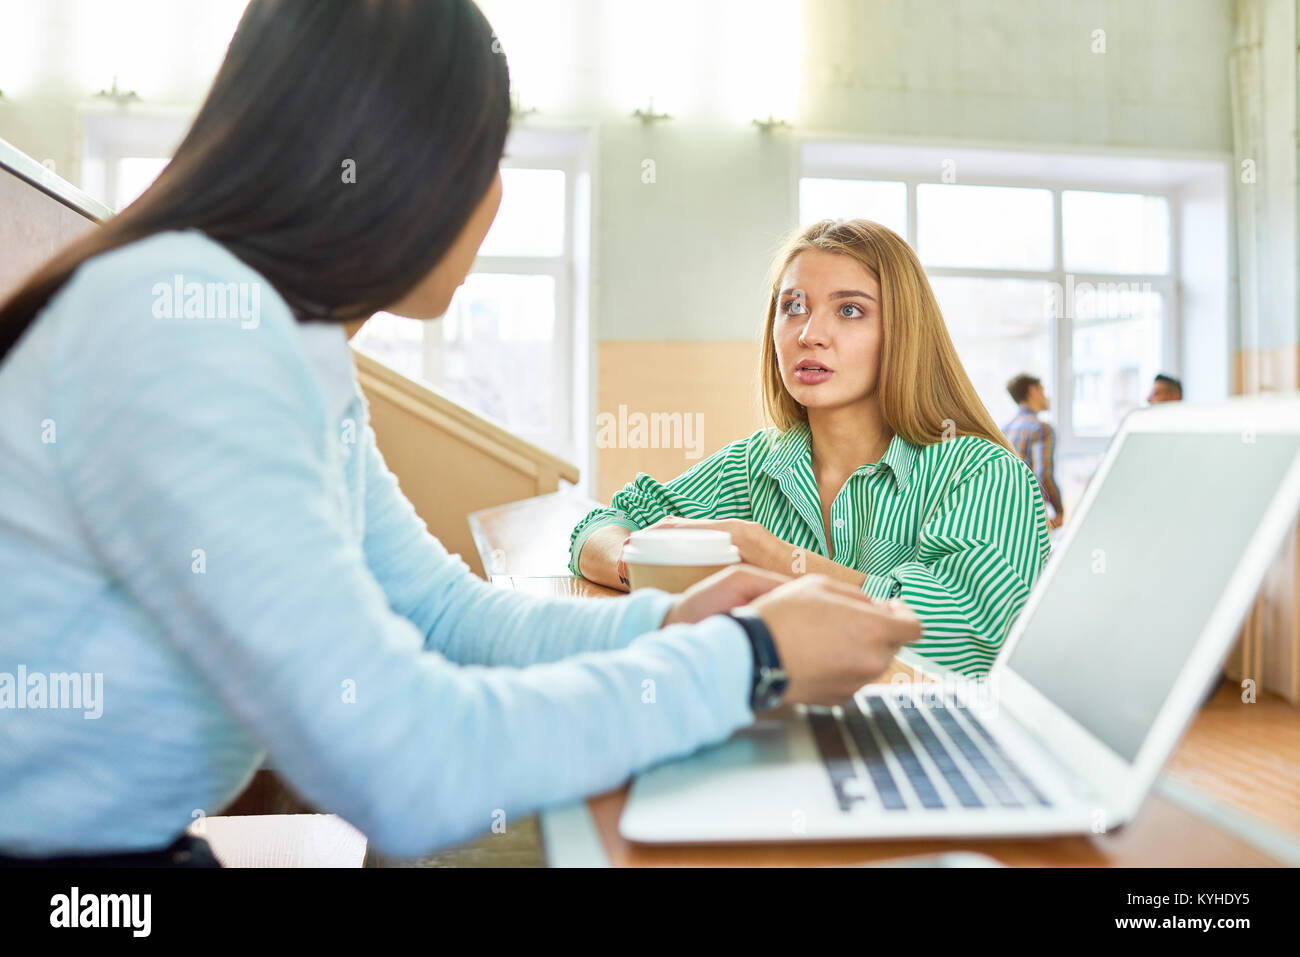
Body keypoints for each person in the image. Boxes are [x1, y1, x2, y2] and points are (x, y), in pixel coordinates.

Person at [0, 0, 920, 864]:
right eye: (489, 160)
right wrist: (750, 659)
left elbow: (438, 615)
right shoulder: (191, 333)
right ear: (399, 161)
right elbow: (406, 764)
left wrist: (676, 620)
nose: (494, 201)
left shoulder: (282, 341)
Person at [571, 219, 1051, 678]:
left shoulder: (982, 473)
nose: (809, 334)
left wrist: (771, 557)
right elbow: (599, 529)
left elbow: (971, 635)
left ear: (902, 333)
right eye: (793, 307)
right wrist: (649, 564)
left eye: (849, 310)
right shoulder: (753, 464)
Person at [1002, 374, 1065, 530]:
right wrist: (1059, 510)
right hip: (1030, 515)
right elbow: (1043, 474)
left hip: (1006, 514)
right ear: (1033, 391)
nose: (1046, 397)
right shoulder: (1041, 429)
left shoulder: (1005, 429)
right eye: (1042, 391)